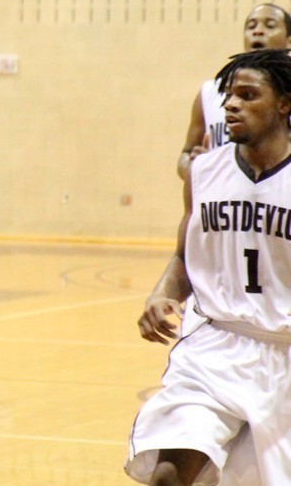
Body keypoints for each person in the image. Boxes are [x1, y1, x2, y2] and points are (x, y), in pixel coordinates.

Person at [126, 49, 291, 486]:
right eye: (228, 96)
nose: (231, 105)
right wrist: (162, 293)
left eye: (247, 95)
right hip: (216, 348)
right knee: (168, 475)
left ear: (284, 104)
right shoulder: (204, 171)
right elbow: (185, 255)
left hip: (284, 351)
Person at [176, 3, 291, 180]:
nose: (258, 31)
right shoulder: (210, 91)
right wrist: (198, 169)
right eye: (251, 26)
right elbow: (186, 153)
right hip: (224, 193)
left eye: (270, 25)